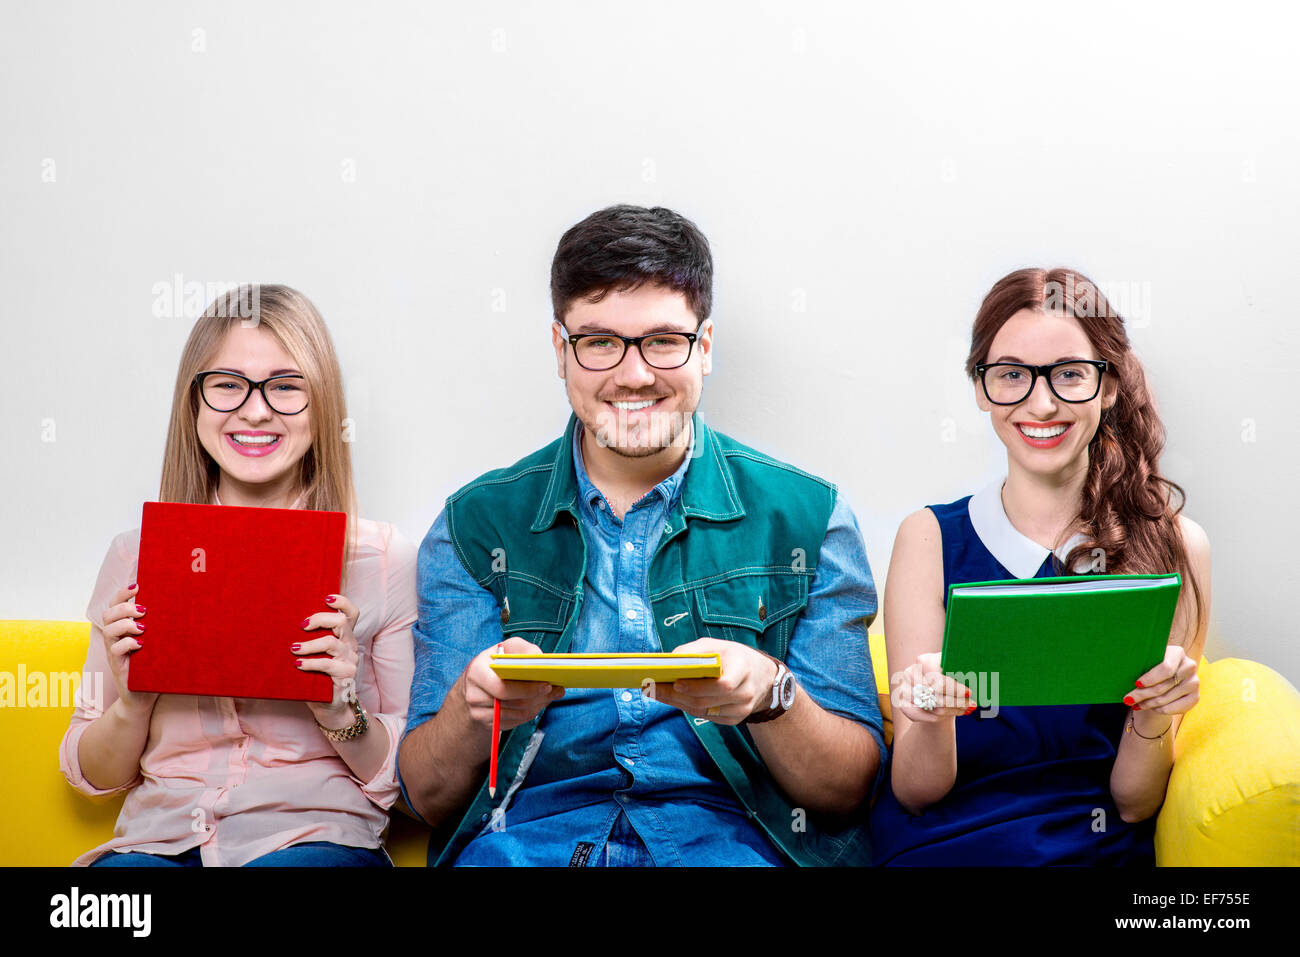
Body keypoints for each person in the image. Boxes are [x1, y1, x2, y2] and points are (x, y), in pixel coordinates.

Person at [398, 205, 885, 866]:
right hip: (529, 844)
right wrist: (470, 710)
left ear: (704, 347)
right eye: (599, 341)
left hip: (730, 844)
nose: (633, 374)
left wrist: (773, 693)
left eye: (662, 340)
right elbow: (426, 797)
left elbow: (847, 792)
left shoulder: (809, 517)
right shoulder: (475, 526)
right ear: (559, 348)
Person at [60, 285, 417, 867]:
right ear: (193, 404)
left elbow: (411, 783)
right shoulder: (136, 557)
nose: (255, 410)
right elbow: (89, 774)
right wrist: (132, 703)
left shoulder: (382, 558)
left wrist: (339, 710)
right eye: (227, 384)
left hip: (313, 843)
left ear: (321, 405)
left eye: (285, 386)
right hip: (160, 844)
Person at [870, 267, 1211, 865]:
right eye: (1011, 376)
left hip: (1093, 844)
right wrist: (927, 717)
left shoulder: (1174, 546)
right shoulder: (928, 538)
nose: (1042, 402)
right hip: (946, 843)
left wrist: (1157, 713)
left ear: (1109, 385)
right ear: (980, 387)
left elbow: (1133, 803)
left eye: (1070, 374)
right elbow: (917, 792)